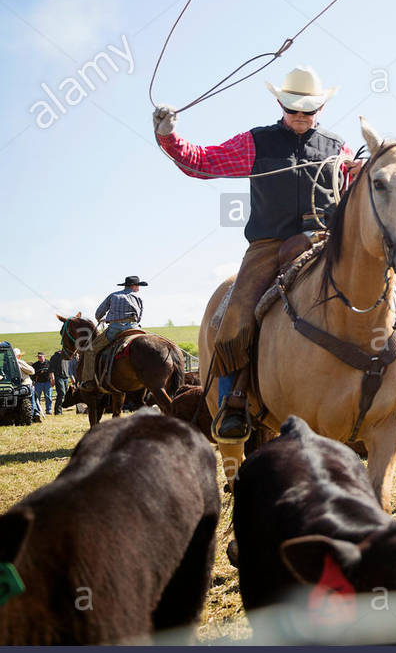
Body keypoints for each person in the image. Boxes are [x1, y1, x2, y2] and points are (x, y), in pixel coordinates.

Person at [153, 65, 359, 443]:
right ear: (281, 104)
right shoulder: (256, 142)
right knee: (236, 316)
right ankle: (233, 401)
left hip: (327, 240)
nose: (300, 116)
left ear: (320, 109)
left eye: (307, 110)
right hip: (269, 246)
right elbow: (202, 162)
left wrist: (357, 173)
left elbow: (348, 193)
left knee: (389, 291)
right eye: (293, 108)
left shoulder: (338, 147)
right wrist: (170, 137)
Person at [84, 276, 147, 384]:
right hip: (134, 328)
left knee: (90, 351)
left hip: (115, 329)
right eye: (138, 286)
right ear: (133, 286)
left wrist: (101, 319)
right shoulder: (138, 298)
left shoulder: (113, 295)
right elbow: (140, 316)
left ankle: (88, 381)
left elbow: (98, 313)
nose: (138, 288)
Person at [49, 348, 72, 414]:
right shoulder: (54, 357)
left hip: (66, 377)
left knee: (64, 394)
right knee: (61, 393)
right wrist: (52, 378)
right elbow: (51, 369)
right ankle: (57, 411)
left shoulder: (67, 357)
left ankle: (59, 410)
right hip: (58, 377)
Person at [30, 351, 51, 419]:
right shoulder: (35, 365)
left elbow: (52, 371)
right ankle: (37, 410)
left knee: (48, 397)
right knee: (37, 397)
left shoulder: (48, 363)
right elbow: (32, 374)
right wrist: (33, 380)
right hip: (38, 383)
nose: (39, 358)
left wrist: (52, 379)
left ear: (44, 356)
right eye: (38, 357)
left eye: (40, 356)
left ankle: (48, 410)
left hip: (47, 382)